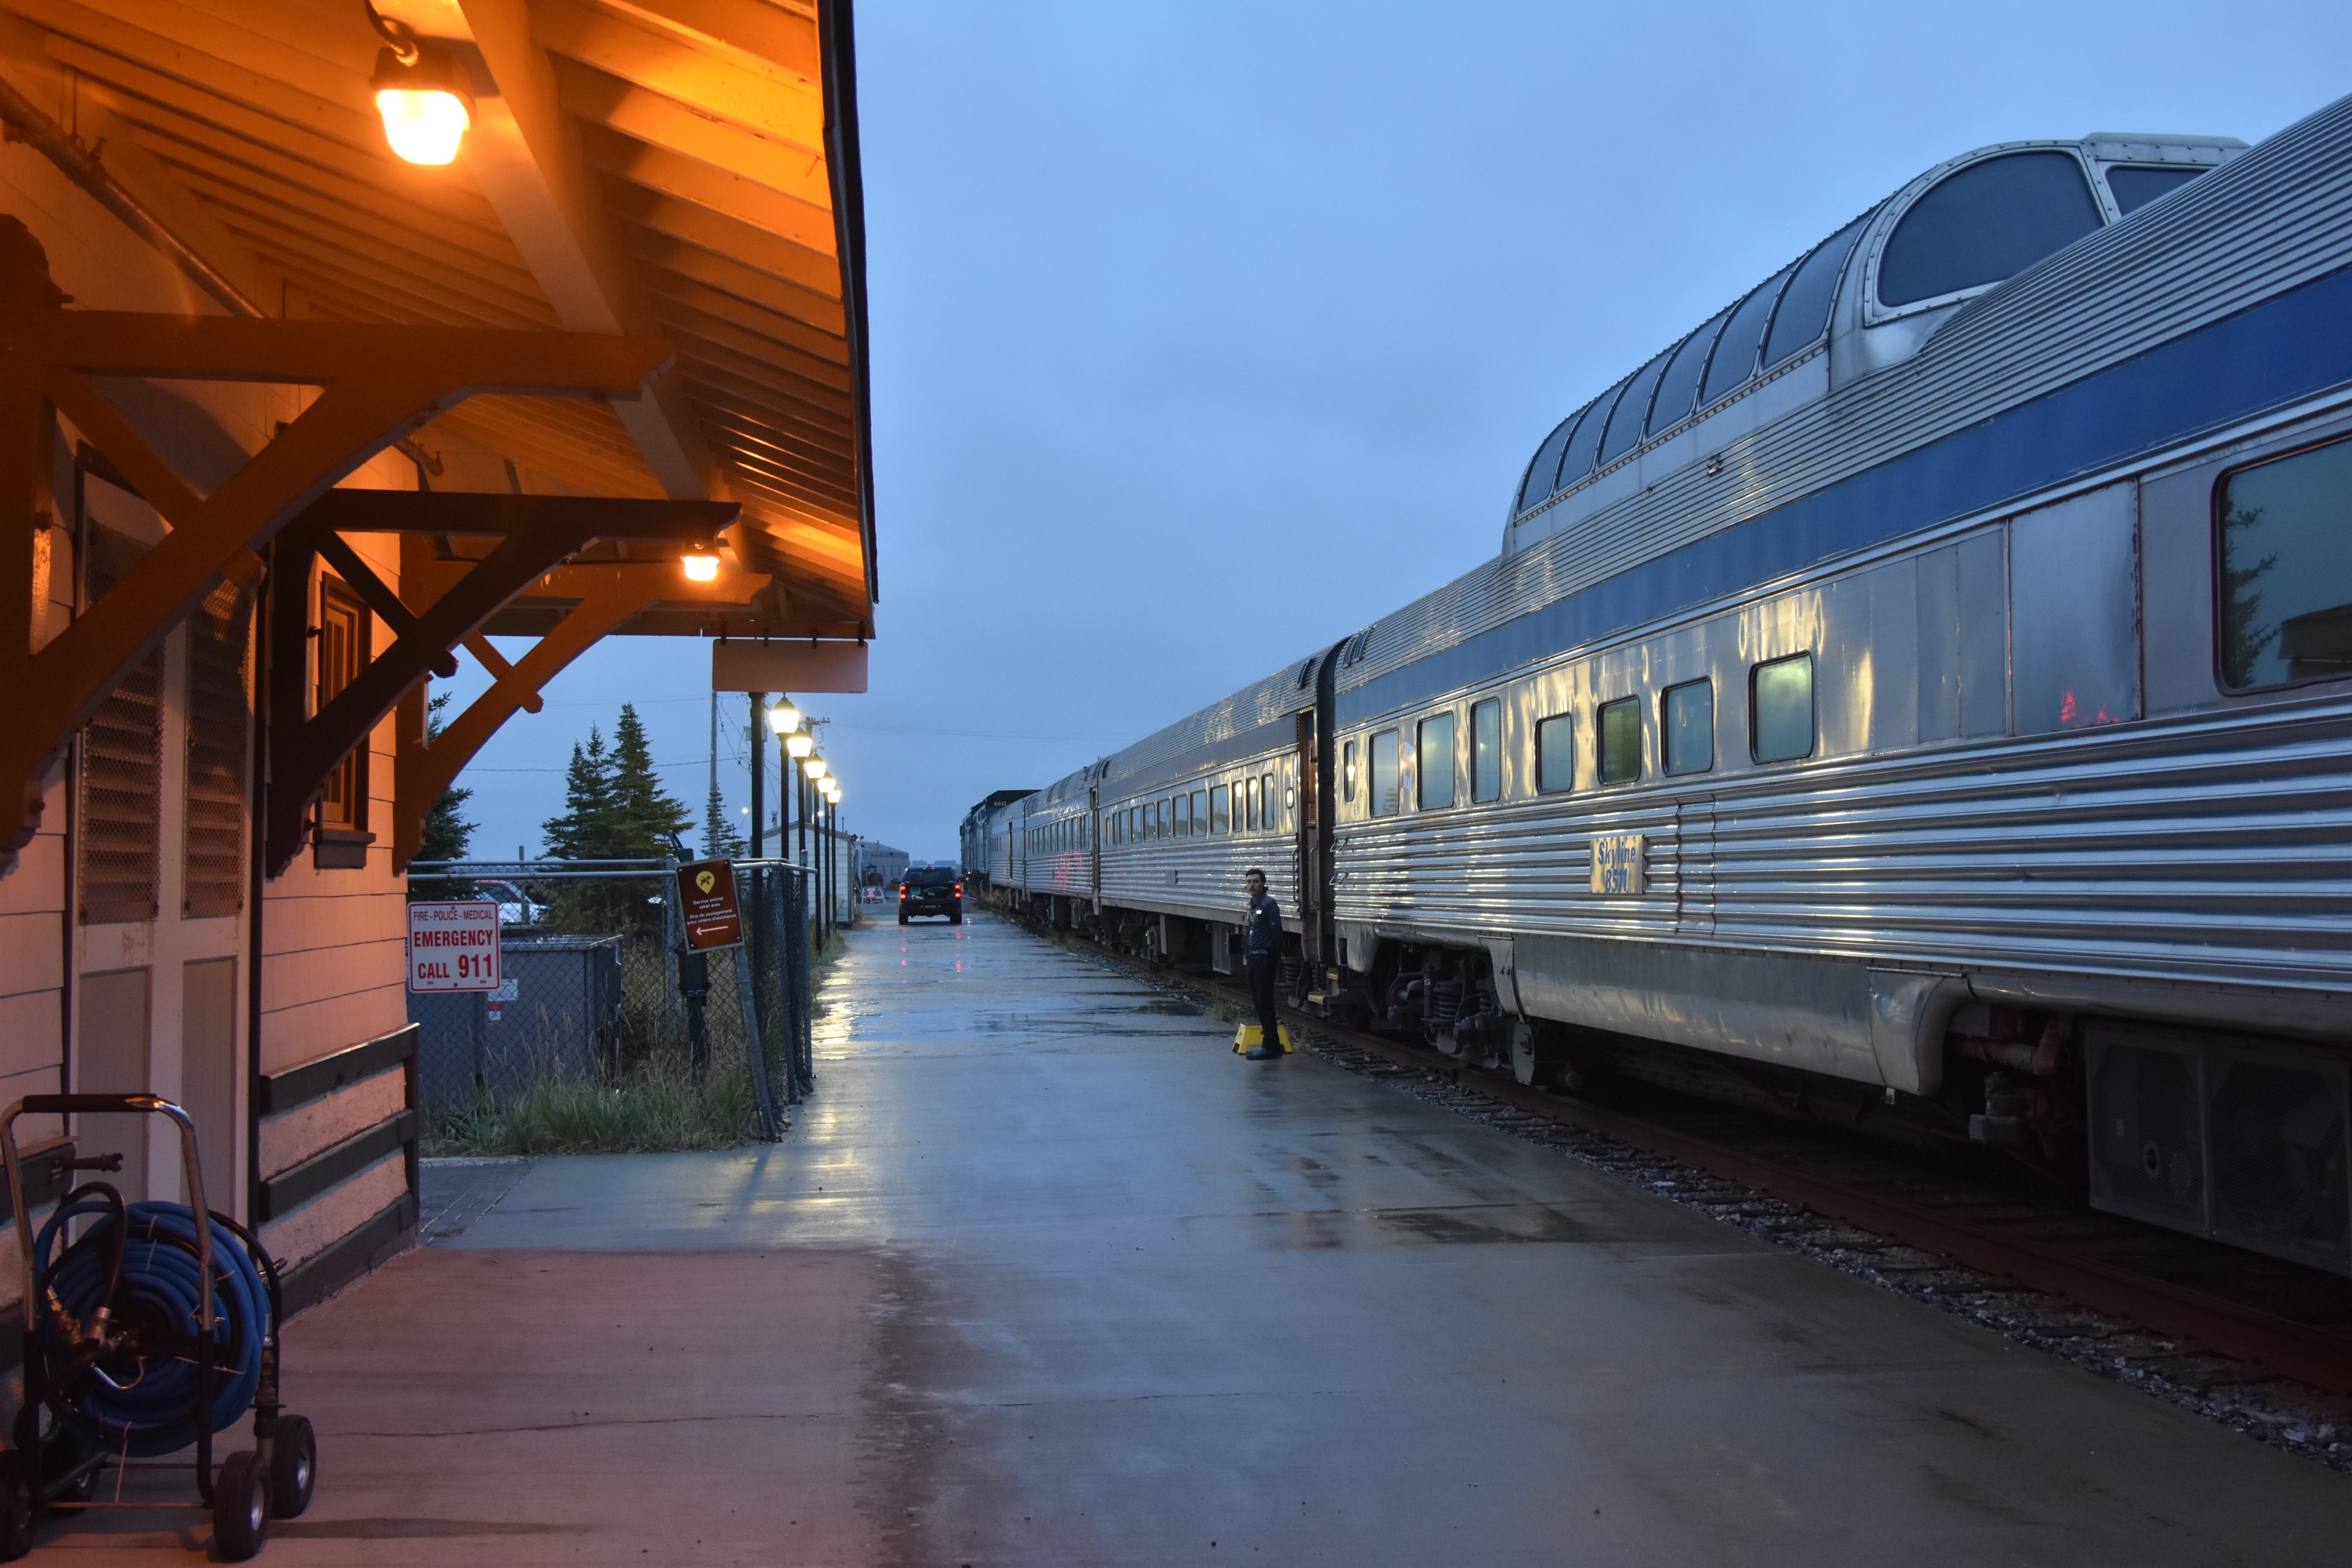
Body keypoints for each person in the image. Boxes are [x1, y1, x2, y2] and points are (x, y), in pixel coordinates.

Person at [1241, 867, 1284, 1061]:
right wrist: (1247, 954)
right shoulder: (1251, 905)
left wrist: (1274, 955)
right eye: (1249, 882)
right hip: (1254, 957)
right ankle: (1271, 1043)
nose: (1252, 885)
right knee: (1258, 1001)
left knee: (1264, 1002)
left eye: (1256, 881)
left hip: (1265, 958)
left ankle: (1270, 1046)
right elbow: (1250, 931)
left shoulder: (1269, 904)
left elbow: (1277, 932)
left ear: (1263, 884)